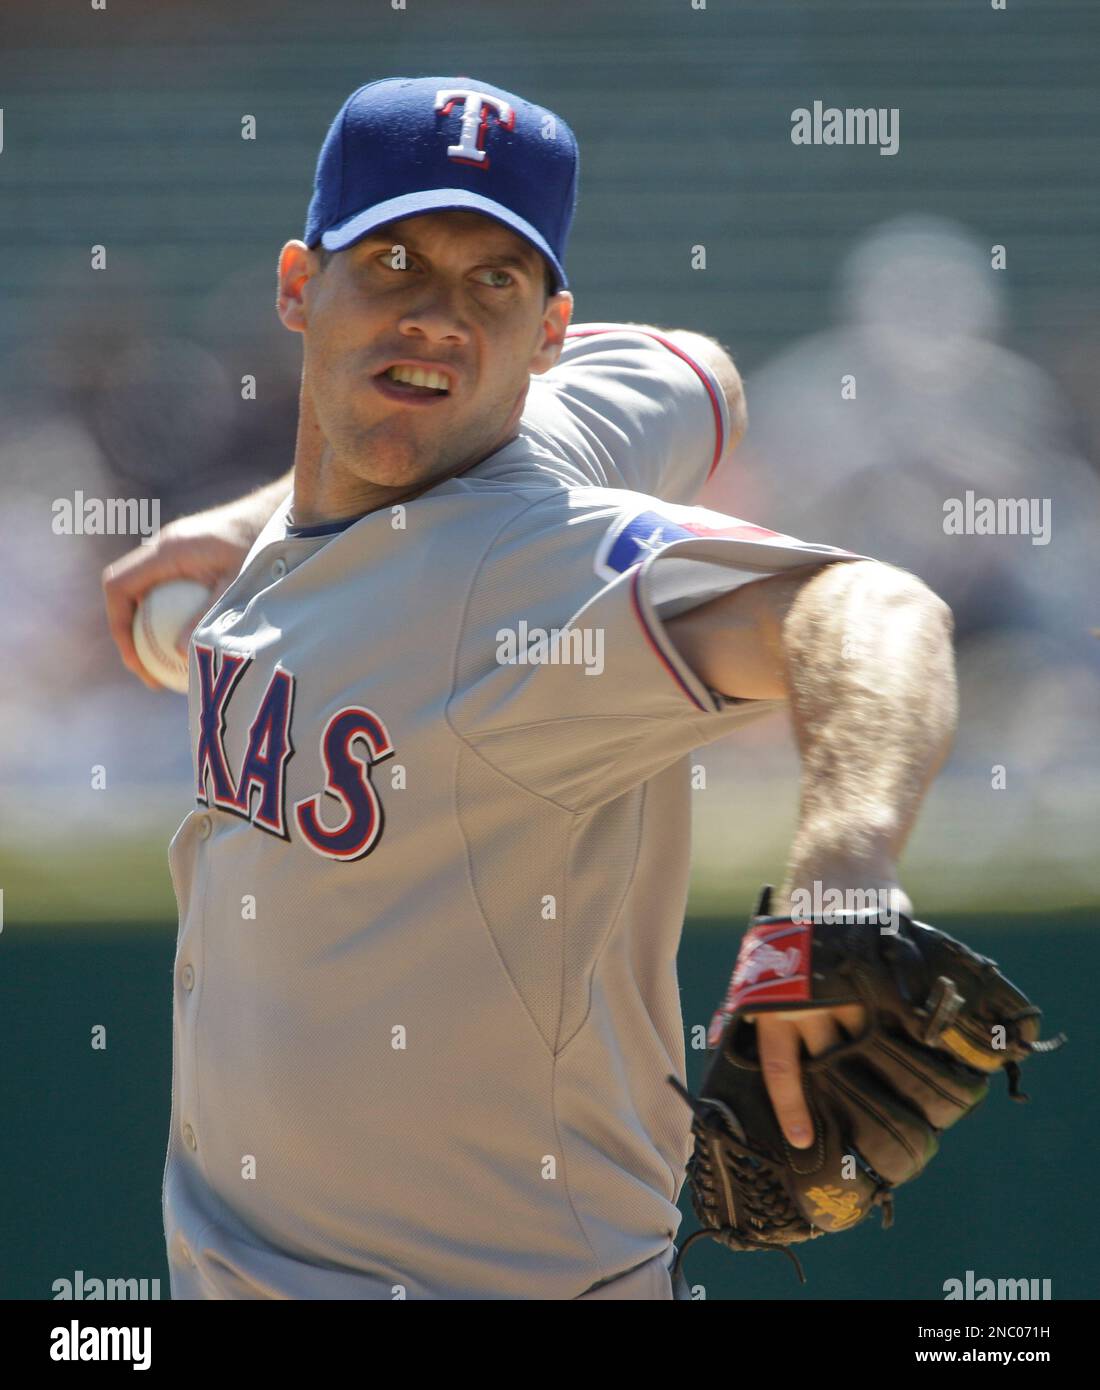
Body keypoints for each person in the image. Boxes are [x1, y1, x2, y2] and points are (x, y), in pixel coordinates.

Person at [102, 76, 956, 1300]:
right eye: (395, 260)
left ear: (547, 329)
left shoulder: (525, 571)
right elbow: (695, 370)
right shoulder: (560, 424)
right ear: (299, 285)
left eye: (492, 281)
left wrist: (845, 864)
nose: (441, 318)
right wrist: (265, 521)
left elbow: (870, 607)